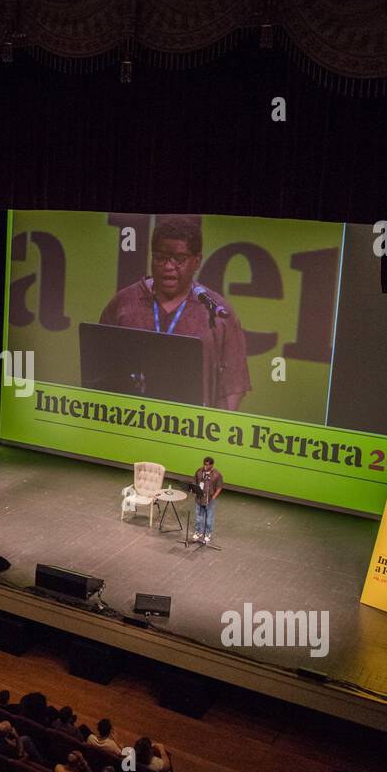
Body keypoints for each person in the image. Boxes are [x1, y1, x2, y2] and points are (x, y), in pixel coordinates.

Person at [98, 215, 250, 411]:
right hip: (128, 426)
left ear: (197, 261)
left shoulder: (219, 313)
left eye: (179, 259)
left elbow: (232, 388)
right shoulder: (123, 304)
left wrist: (212, 433)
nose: (169, 267)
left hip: (190, 432)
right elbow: (99, 370)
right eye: (161, 258)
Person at [191, 455, 223, 545]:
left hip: (210, 499)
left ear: (212, 465)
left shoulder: (217, 474)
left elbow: (219, 487)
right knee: (198, 516)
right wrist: (195, 490)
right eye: (205, 464)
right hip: (199, 498)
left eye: (208, 465)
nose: (206, 466)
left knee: (209, 518)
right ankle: (198, 531)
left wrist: (213, 497)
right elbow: (194, 481)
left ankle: (208, 533)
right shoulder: (199, 471)